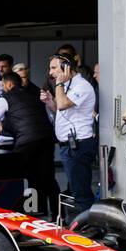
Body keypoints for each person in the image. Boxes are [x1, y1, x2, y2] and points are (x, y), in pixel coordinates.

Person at [0, 70, 57, 215]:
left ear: (9, 84)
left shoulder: (5, 98)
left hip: (27, 140)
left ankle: (28, 211)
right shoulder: (34, 94)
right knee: (46, 176)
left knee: (21, 176)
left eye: (3, 85)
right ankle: (56, 214)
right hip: (47, 138)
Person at [42, 53, 97, 213]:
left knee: (81, 191)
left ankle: (89, 228)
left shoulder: (82, 86)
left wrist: (58, 84)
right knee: (76, 188)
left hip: (78, 145)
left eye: (53, 68)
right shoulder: (69, 85)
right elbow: (61, 110)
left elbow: (64, 104)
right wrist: (50, 102)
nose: (50, 72)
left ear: (66, 68)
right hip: (69, 145)